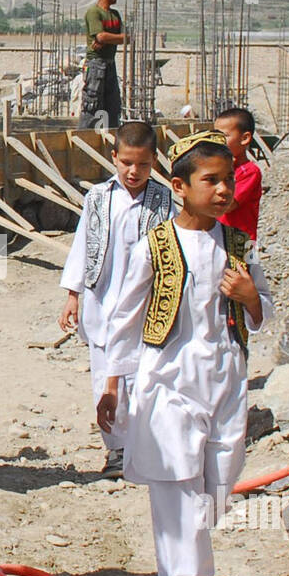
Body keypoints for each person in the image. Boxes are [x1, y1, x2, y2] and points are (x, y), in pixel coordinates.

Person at [98, 131, 274, 576]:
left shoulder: (239, 245)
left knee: (219, 480)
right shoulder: (155, 245)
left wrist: (249, 297)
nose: (223, 191)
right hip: (168, 378)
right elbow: (125, 317)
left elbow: (265, 309)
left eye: (228, 181)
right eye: (211, 181)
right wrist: (113, 384)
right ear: (180, 185)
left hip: (225, 374)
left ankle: (190, 571)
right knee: (176, 480)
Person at [58, 122, 173, 480]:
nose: (133, 171)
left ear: (154, 161)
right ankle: (116, 451)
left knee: (140, 375)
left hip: (143, 305)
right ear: (114, 158)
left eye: (142, 164)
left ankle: (145, 446)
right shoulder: (98, 197)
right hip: (101, 301)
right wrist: (73, 295)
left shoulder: (164, 201)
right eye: (126, 163)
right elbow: (81, 246)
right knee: (105, 375)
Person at [79, 0, 127, 129]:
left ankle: (111, 135)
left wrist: (107, 38)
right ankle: (87, 137)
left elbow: (126, 37)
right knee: (92, 104)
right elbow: (100, 36)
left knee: (112, 104)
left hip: (109, 62)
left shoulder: (115, 14)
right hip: (96, 65)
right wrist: (106, 38)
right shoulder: (94, 12)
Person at [214, 106, 262, 241]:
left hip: (241, 243)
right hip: (219, 238)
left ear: (245, 138)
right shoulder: (218, 169)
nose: (218, 141)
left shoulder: (249, 172)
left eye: (224, 136)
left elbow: (227, 206)